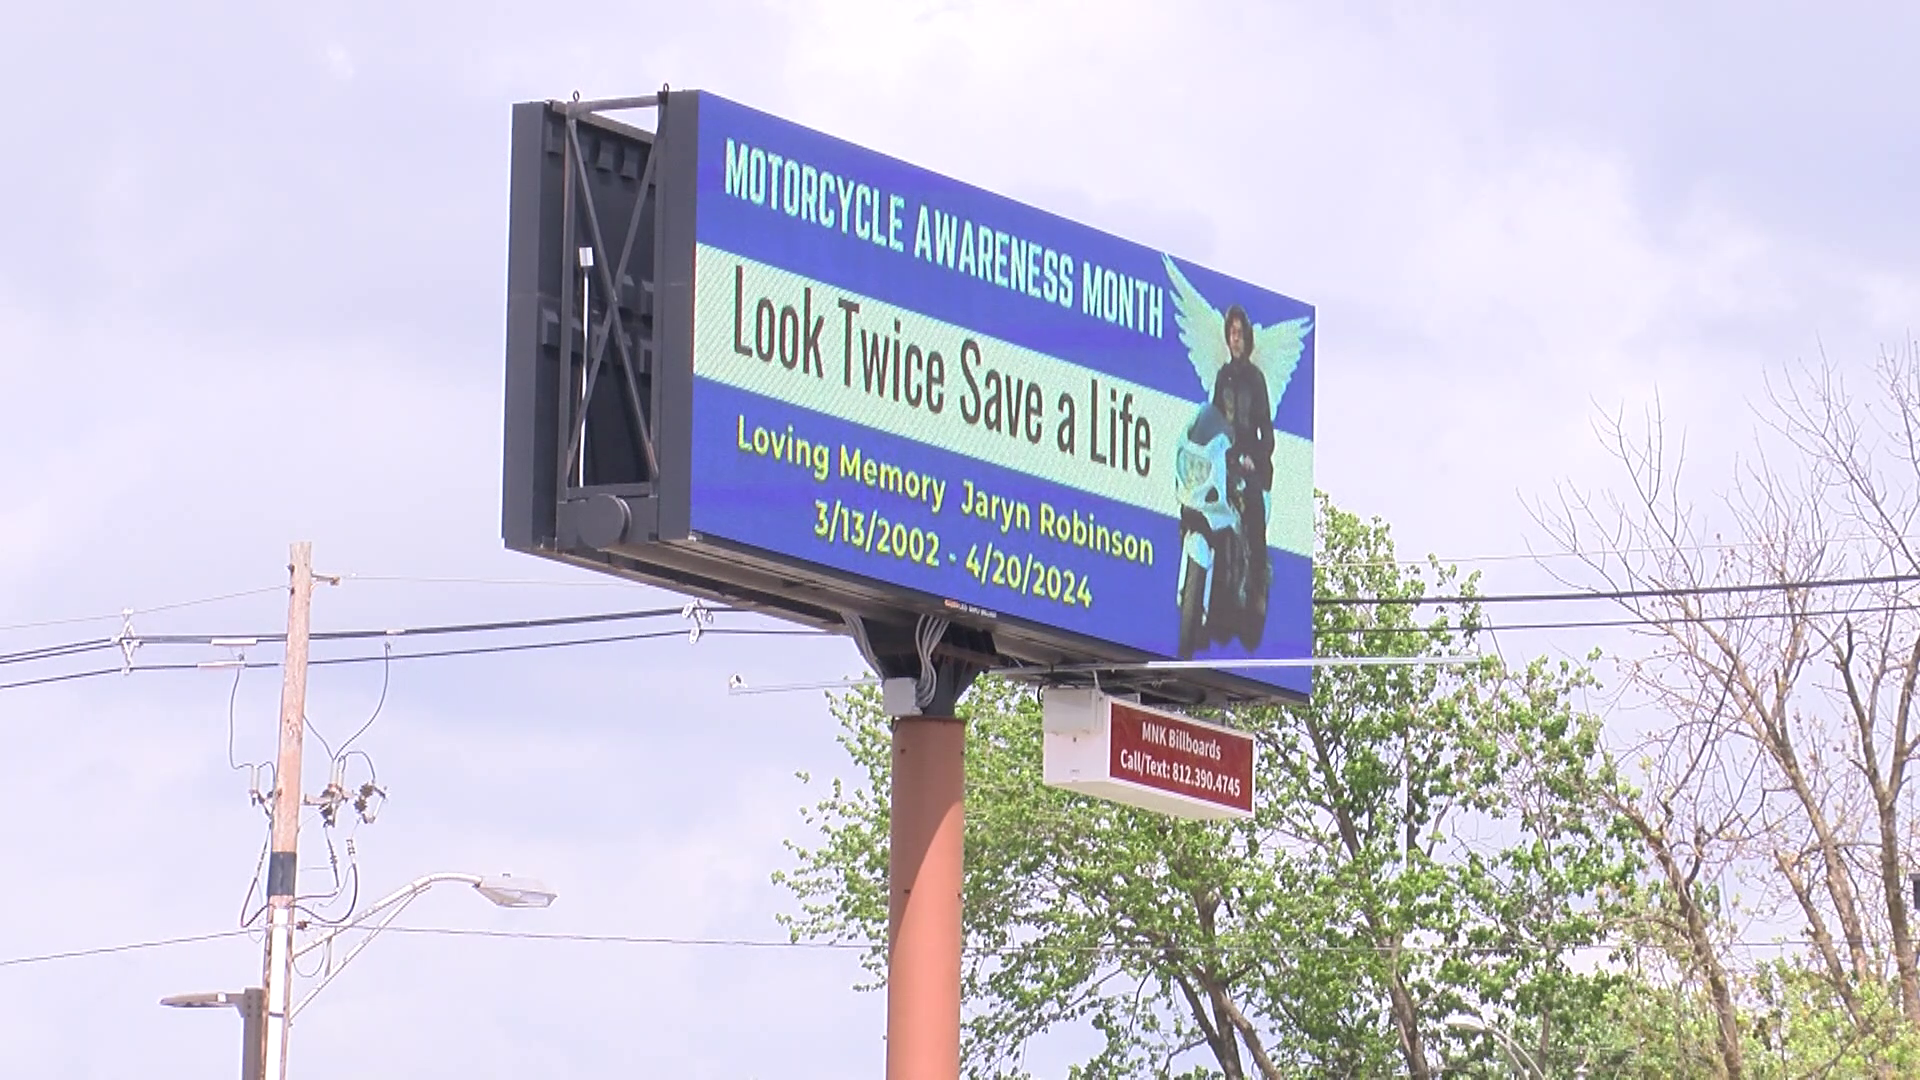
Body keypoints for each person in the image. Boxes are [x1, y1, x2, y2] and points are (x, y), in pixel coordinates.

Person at [1210, 305, 1272, 630]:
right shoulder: (1223, 376)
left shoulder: (1256, 379)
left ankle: (1258, 587)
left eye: (1240, 333)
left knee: (1255, 517)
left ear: (1247, 337)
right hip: (1225, 461)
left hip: (1250, 464)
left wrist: (1253, 458)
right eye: (1231, 333)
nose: (1235, 338)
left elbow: (1267, 434)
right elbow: (1212, 420)